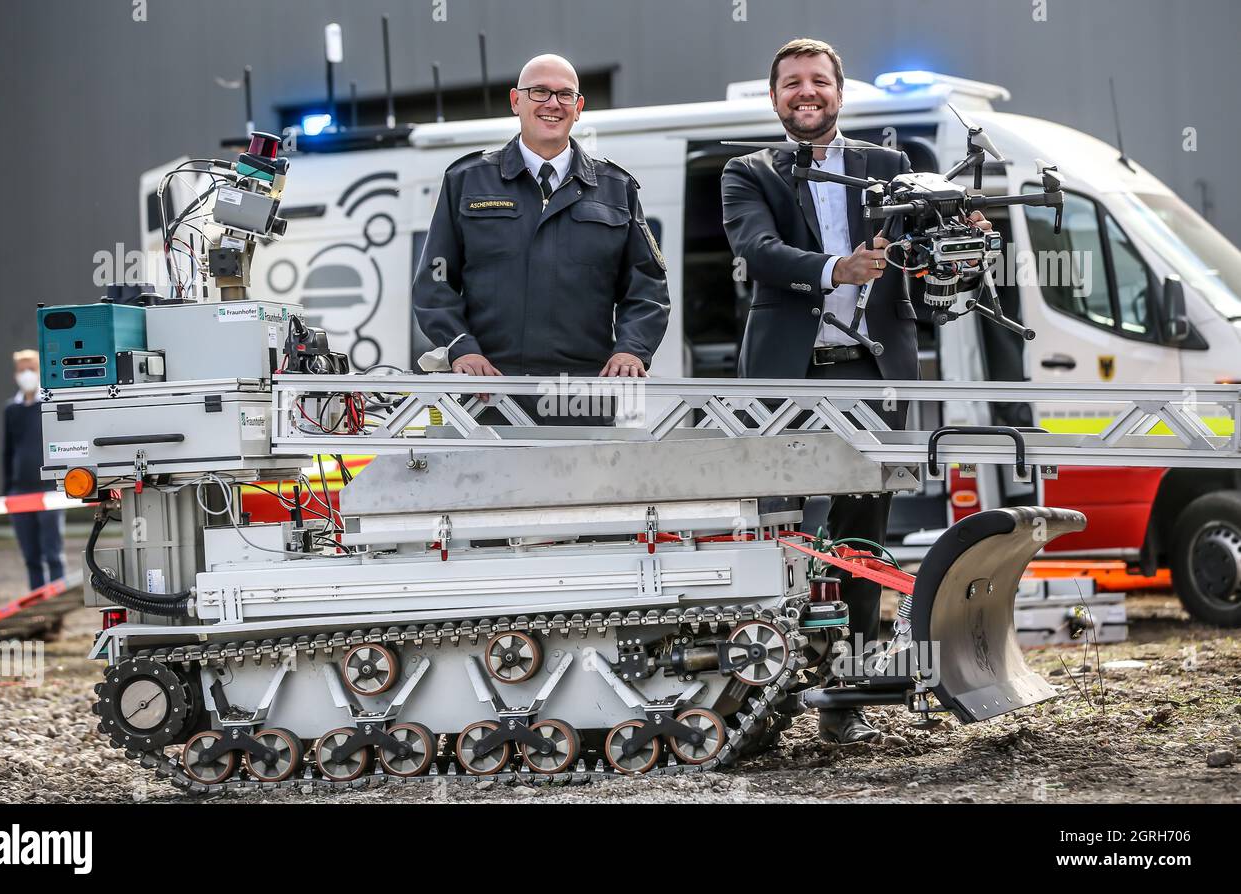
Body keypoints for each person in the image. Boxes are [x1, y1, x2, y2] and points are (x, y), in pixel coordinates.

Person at [722, 38, 991, 743]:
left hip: (872, 374)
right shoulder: (749, 171)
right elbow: (757, 252)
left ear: (839, 94)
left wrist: (965, 241)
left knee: (863, 537)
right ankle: (768, 702)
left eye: (818, 81)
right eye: (791, 83)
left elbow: (934, 267)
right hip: (788, 378)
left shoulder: (892, 167)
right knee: (777, 533)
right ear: (773, 96)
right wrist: (835, 269)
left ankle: (848, 700)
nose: (805, 92)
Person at [412, 53, 670, 412]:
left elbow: (647, 287)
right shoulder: (467, 181)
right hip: (488, 395)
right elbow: (434, 284)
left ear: (578, 107)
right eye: (539, 92)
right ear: (516, 101)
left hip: (585, 396)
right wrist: (460, 347)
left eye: (565, 95)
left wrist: (632, 349)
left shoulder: (616, 187)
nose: (553, 104)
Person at [3, 349, 65, 591]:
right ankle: (37, 611)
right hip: (20, 491)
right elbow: (7, 451)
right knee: (31, 557)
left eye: (31, 369)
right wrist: (7, 490)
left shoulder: (50, 404)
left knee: (53, 553)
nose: (26, 374)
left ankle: (56, 608)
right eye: (21, 370)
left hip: (49, 489)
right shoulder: (12, 409)